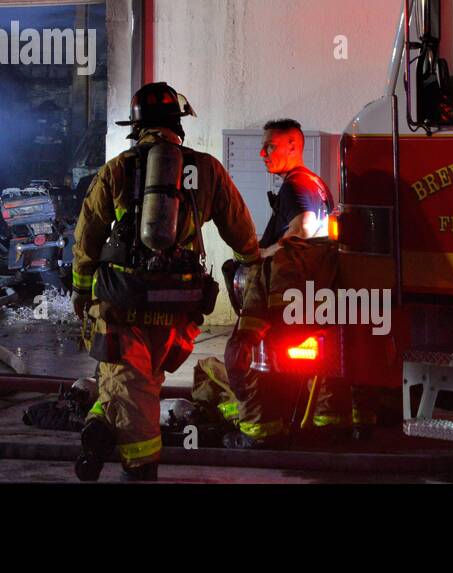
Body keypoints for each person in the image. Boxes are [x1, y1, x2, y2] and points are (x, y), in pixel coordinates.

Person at [71, 82, 261, 481]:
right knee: (138, 382)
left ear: (136, 127)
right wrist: (252, 269)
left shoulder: (119, 168)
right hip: (180, 305)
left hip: (123, 302)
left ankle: (140, 468)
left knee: (130, 384)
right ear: (179, 124)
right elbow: (242, 233)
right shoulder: (207, 170)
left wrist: (81, 289)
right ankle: (99, 427)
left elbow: (87, 235)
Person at [192, 118, 343, 448]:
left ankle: (255, 428)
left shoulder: (296, 184)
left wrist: (261, 254)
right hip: (313, 296)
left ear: (293, 145)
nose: (263, 152)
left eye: (270, 145)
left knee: (241, 354)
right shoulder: (318, 184)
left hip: (276, 292)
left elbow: (302, 228)